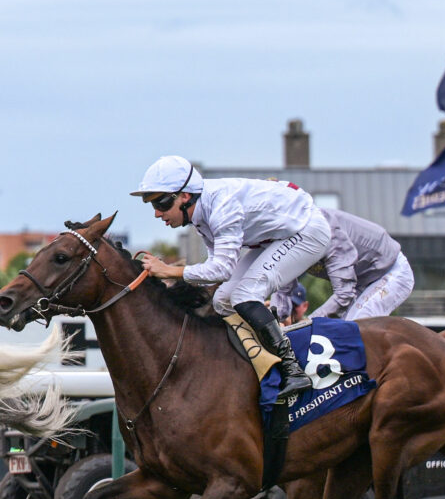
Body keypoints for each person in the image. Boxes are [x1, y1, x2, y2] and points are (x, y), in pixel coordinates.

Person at [132, 155, 331, 405]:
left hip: (306, 230)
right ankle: (259, 364)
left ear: (185, 196)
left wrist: (169, 271)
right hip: (279, 235)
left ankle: (292, 370)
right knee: (224, 300)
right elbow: (214, 270)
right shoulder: (201, 214)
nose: (157, 213)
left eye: (161, 203)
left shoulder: (221, 206)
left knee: (244, 295)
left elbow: (222, 269)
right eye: (152, 205)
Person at [287, 209, 414, 321]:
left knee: (357, 325)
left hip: (391, 270)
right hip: (361, 282)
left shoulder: (324, 232)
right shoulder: (284, 239)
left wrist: (309, 322)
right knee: (343, 330)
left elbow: (344, 294)